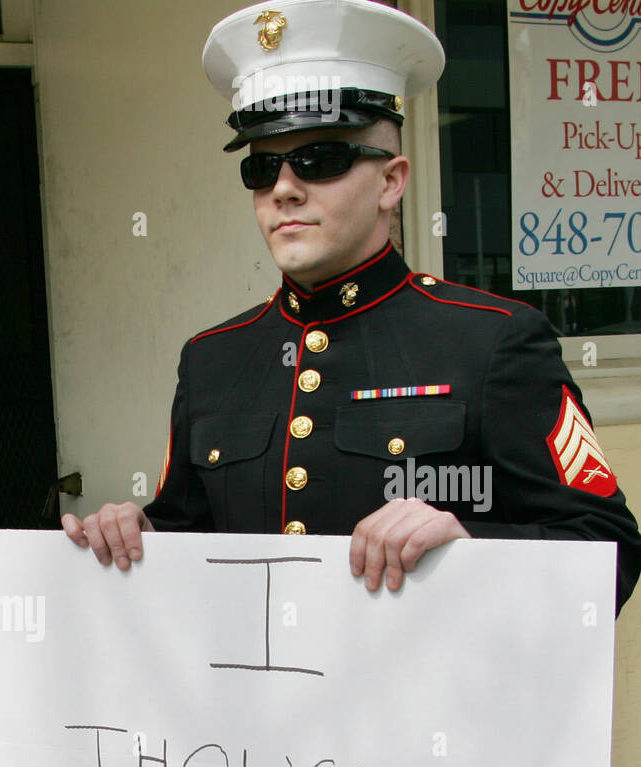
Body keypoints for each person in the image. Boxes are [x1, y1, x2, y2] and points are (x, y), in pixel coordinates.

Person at [63, 0, 640, 613]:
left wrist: (469, 543)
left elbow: (609, 552)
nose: (284, 187)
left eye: (321, 159)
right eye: (262, 167)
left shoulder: (492, 341)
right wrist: (135, 539)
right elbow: (190, 535)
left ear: (391, 181)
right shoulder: (212, 359)